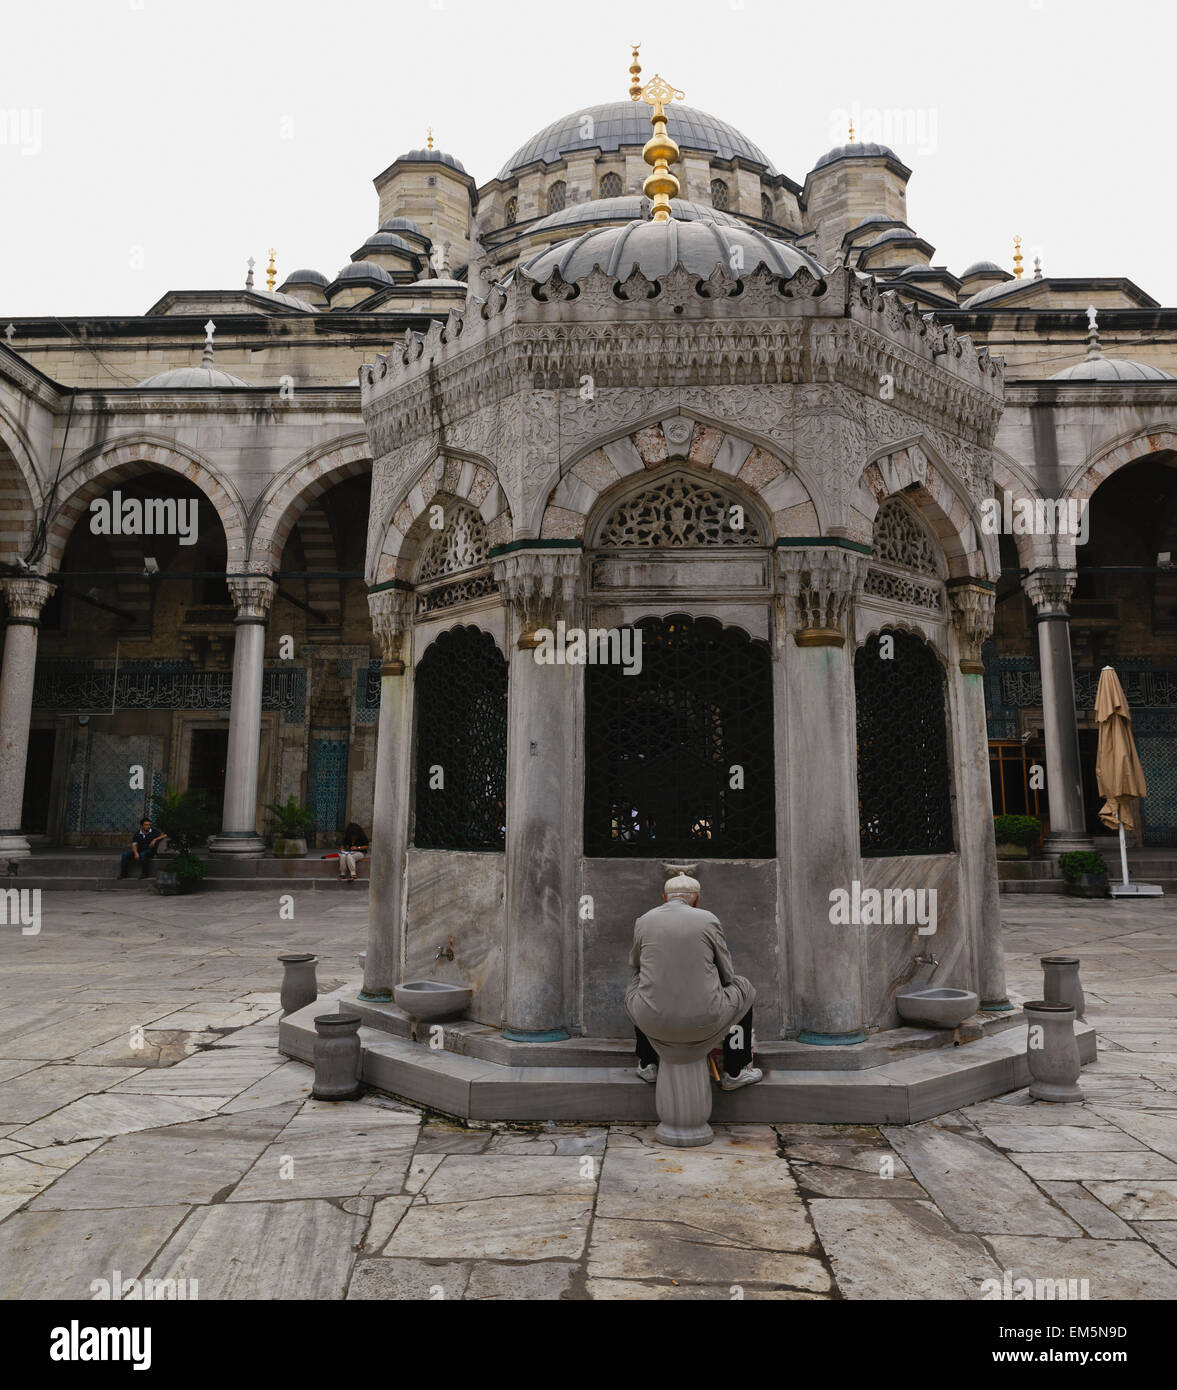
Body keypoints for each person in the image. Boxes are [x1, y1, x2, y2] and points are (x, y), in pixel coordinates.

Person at [625, 872, 762, 1092]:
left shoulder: (644, 920)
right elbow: (728, 975)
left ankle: (647, 1062)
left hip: (653, 1020)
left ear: (664, 897)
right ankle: (735, 1071)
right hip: (703, 1023)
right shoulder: (708, 919)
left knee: (637, 980)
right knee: (744, 987)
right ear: (697, 899)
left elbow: (635, 963)